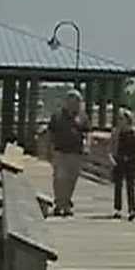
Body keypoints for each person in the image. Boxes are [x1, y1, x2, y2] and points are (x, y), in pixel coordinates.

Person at [48, 89, 89, 217]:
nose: (74, 104)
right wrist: (49, 149)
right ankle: (59, 203)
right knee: (59, 178)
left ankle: (66, 204)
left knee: (72, 179)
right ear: (66, 102)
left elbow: (88, 133)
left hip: (76, 152)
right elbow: (50, 132)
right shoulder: (57, 115)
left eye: (77, 101)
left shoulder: (83, 117)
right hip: (60, 151)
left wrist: (87, 146)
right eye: (71, 101)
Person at [109, 108, 135, 221]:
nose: (119, 121)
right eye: (119, 118)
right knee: (118, 185)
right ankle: (117, 209)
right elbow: (111, 147)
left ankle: (132, 209)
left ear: (128, 119)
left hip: (132, 160)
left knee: (130, 186)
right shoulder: (116, 132)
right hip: (119, 160)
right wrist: (111, 159)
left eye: (122, 118)